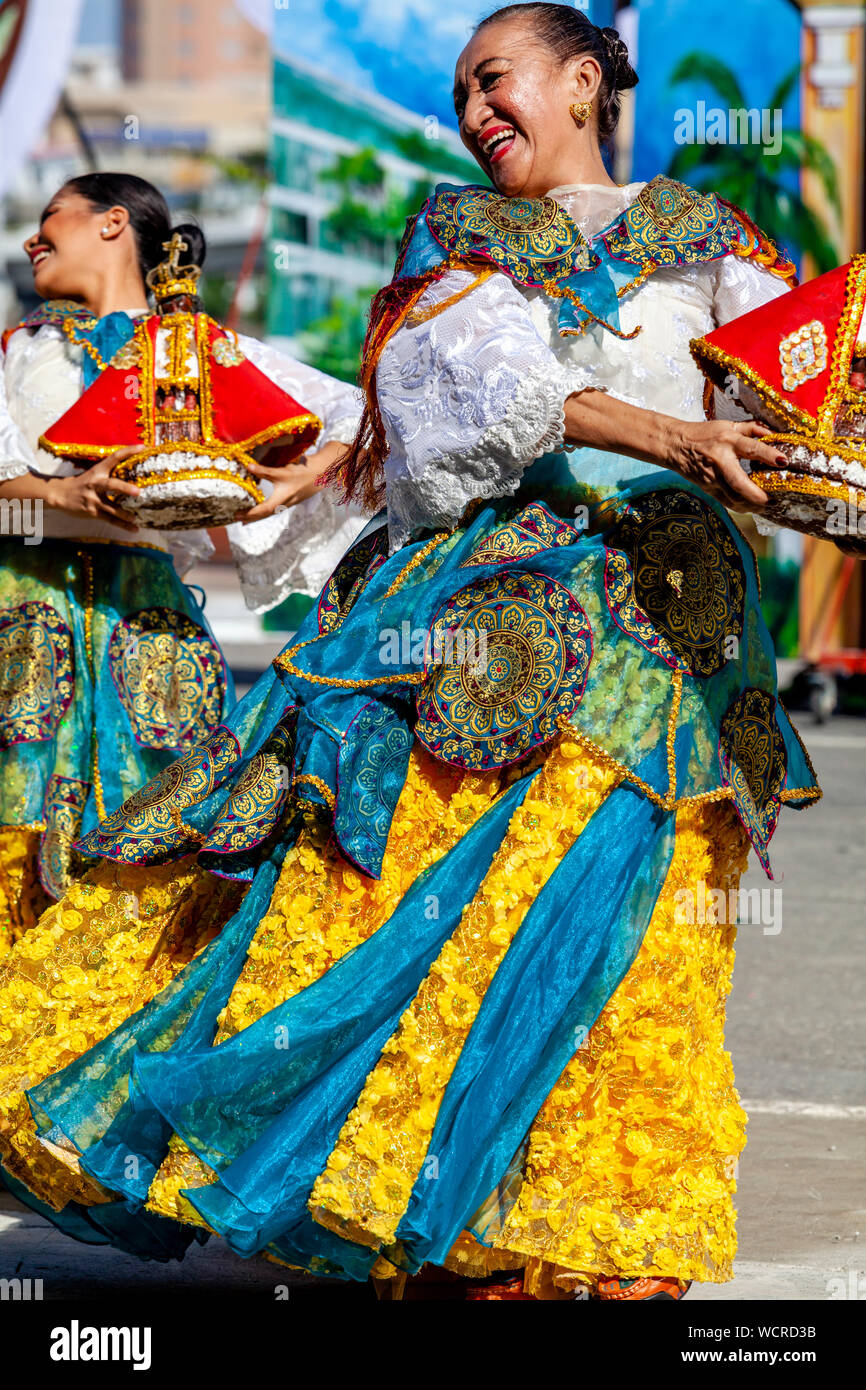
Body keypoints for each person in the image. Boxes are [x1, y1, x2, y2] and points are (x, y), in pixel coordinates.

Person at [0, 9, 820, 1299]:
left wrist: (804, 469)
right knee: (440, 907)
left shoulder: (711, 234)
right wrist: (671, 441)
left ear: (583, 78)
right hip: (491, 608)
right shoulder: (453, 231)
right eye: (458, 92)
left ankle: (606, 1219)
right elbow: (478, 387)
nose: (473, 110)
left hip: (676, 613)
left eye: (492, 80)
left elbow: (784, 401)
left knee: (646, 917)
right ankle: (439, 1203)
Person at [0, 172, 363, 955]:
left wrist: (292, 479)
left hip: (151, 630)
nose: (33, 238)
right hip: (24, 615)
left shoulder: (201, 346)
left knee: (153, 839)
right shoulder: (18, 349)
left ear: (112, 223)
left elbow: (356, 412)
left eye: (50, 217)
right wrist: (64, 497)